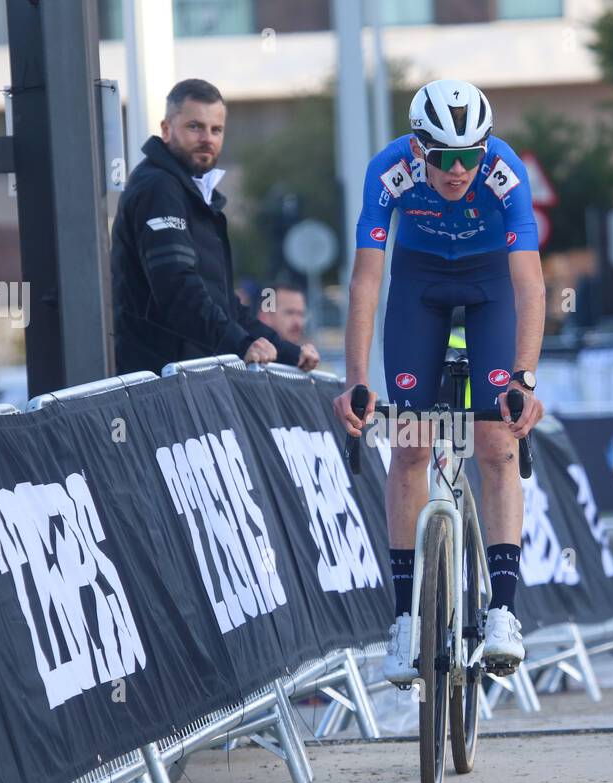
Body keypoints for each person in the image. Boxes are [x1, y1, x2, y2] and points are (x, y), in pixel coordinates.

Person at [332, 79, 546, 684]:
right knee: (410, 445)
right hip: (419, 288)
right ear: (418, 147)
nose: (457, 170)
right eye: (442, 156)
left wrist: (524, 380)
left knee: (497, 440)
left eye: (469, 155)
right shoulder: (388, 170)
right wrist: (355, 379)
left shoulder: (504, 171)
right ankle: (404, 621)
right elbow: (366, 283)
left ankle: (503, 611)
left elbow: (529, 285)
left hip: (489, 290)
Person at [111, 79, 319, 374]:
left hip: (192, 379)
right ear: (167, 129)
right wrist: (240, 344)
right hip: (160, 383)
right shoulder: (158, 188)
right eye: (195, 127)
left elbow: (225, 306)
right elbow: (177, 288)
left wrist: (287, 351)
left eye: (216, 130)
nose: (207, 138)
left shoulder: (196, 195)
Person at [256, 281, 311, 346]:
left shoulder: (309, 354)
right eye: (289, 313)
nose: (297, 322)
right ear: (265, 317)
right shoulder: (245, 353)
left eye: (301, 314)